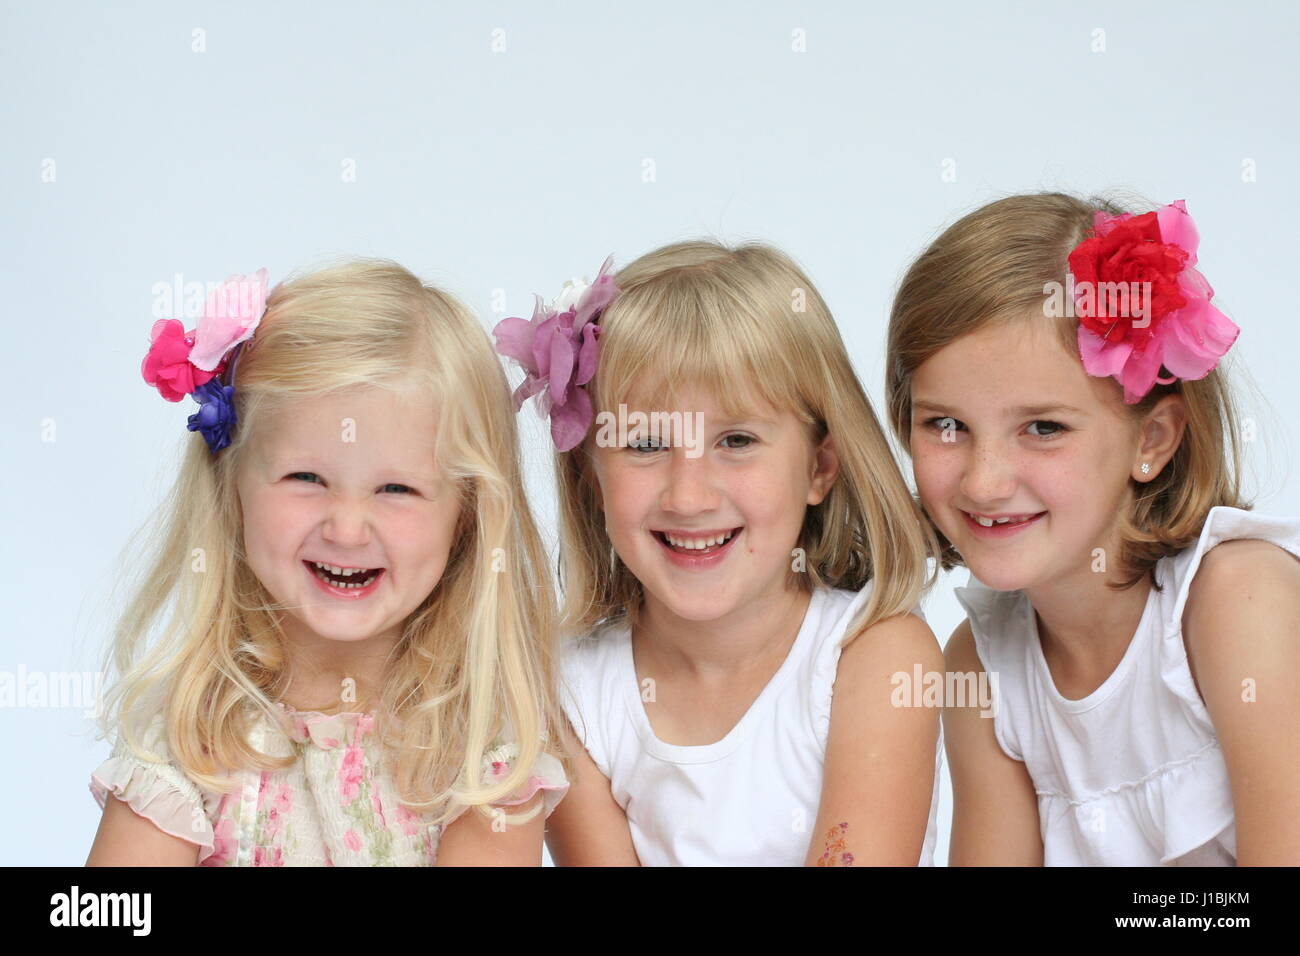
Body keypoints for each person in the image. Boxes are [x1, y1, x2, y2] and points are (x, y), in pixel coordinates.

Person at [86, 261, 568, 866]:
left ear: (466, 512)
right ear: (231, 483)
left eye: (396, 489)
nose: (345, 527)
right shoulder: (189, 736)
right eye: (306, 478)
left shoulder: (478, 746)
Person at [494, 244, 944, 865]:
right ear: (591, 479)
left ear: (818, 467)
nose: (688, 495)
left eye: (736, 440)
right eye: (646, 442)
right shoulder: (571, 698)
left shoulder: (874, 657)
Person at [886, 193, 1300, 865]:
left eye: (1043, 428)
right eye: (946, 425)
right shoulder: (985, 666)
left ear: (1155, 440)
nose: (984, 481)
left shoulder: (1237, 600)